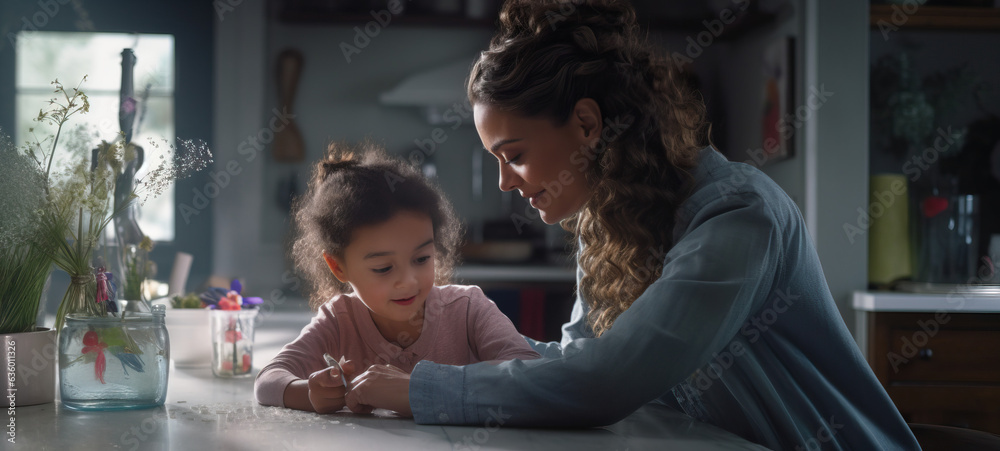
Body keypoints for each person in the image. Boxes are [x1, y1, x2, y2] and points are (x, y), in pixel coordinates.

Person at [342, 1, 921, 449]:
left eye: (513, 154)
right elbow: (578, 364)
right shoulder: (609, 223)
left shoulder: (740, 216)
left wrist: (424, 389)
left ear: (587, 124)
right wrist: (436, 354)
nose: (504, 183)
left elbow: (607, 381)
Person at [254, 142, 540, 414]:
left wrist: (424, 389)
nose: (409, 281)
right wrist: (308, 393)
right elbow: (268, 380)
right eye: (383, 268)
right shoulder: (339, 320)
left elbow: (533, 378)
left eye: (422, 259)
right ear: (338, 266)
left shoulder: (468, 309)